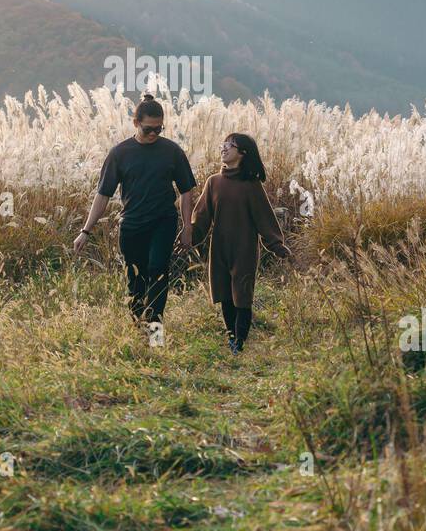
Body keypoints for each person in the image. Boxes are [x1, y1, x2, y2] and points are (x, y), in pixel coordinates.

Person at [73, 93, 196, 345]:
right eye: (149, 129)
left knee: (158, 272)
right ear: (135, 123)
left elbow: (186, 190)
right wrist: (86, 230)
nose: (154, 134)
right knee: (135, 280)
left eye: (159, 129)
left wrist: (187, 226)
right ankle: (138, 328)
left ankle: (155, 336)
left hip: (163, 221)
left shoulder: (172, 151)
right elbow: (103, 195)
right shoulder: (120, 153)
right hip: (131, 225)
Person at [191, 132, 292, 354]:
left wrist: (276, 245)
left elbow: (264, 218)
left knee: (242, 296)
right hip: (219, 248)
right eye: (224, 144)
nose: (224, 148)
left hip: (244, 249)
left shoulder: (251, 185)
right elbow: (201, 217)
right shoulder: (213, 182)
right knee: (225, 294)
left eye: (230, 145)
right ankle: (231, 338)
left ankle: (240, 342)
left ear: (243, 153)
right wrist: (189, 238)